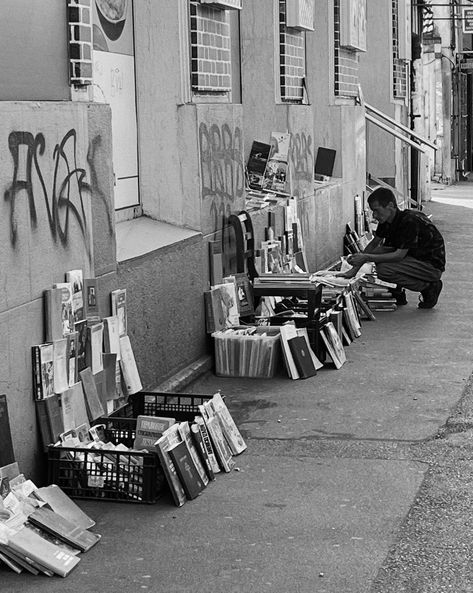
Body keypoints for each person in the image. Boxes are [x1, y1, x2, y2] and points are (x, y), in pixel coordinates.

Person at [343, 187, 446, 309]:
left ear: (390, 205)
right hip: (413, 259)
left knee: (384, 269)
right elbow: (374, 244)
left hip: (430, 266)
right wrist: (355, 267)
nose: (374, 216)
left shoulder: (410, 221)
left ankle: (428, 287)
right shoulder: (386, 222)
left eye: (376, 210)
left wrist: (366, 257)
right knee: (379, 253)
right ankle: (397, 292)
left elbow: (398, 255)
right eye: (372, 212)